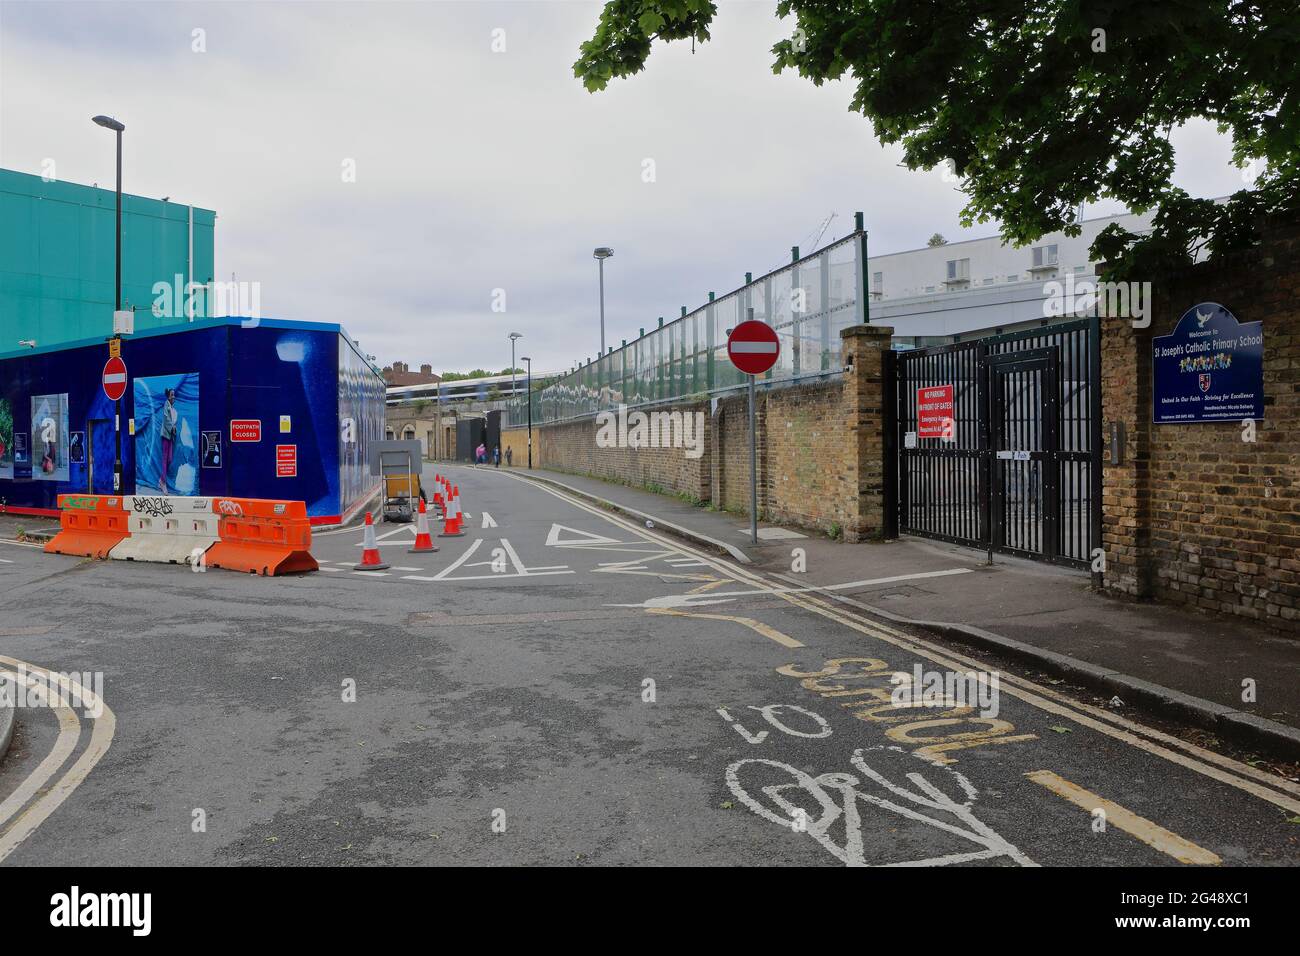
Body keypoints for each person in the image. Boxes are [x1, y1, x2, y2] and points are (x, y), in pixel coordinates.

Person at [160, 388, 178, 493]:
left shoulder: (172, 407)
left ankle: (161, 480)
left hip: (170, 436)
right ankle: (163, 483)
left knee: (169, 459)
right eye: (172, 395)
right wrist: (172, 427)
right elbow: (166, 419)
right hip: (166, 435)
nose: (173, 397)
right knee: (165, 458)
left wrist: (174, 429)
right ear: (168, 396)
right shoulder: (166, 405)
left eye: (174, 395)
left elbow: (172, 421)